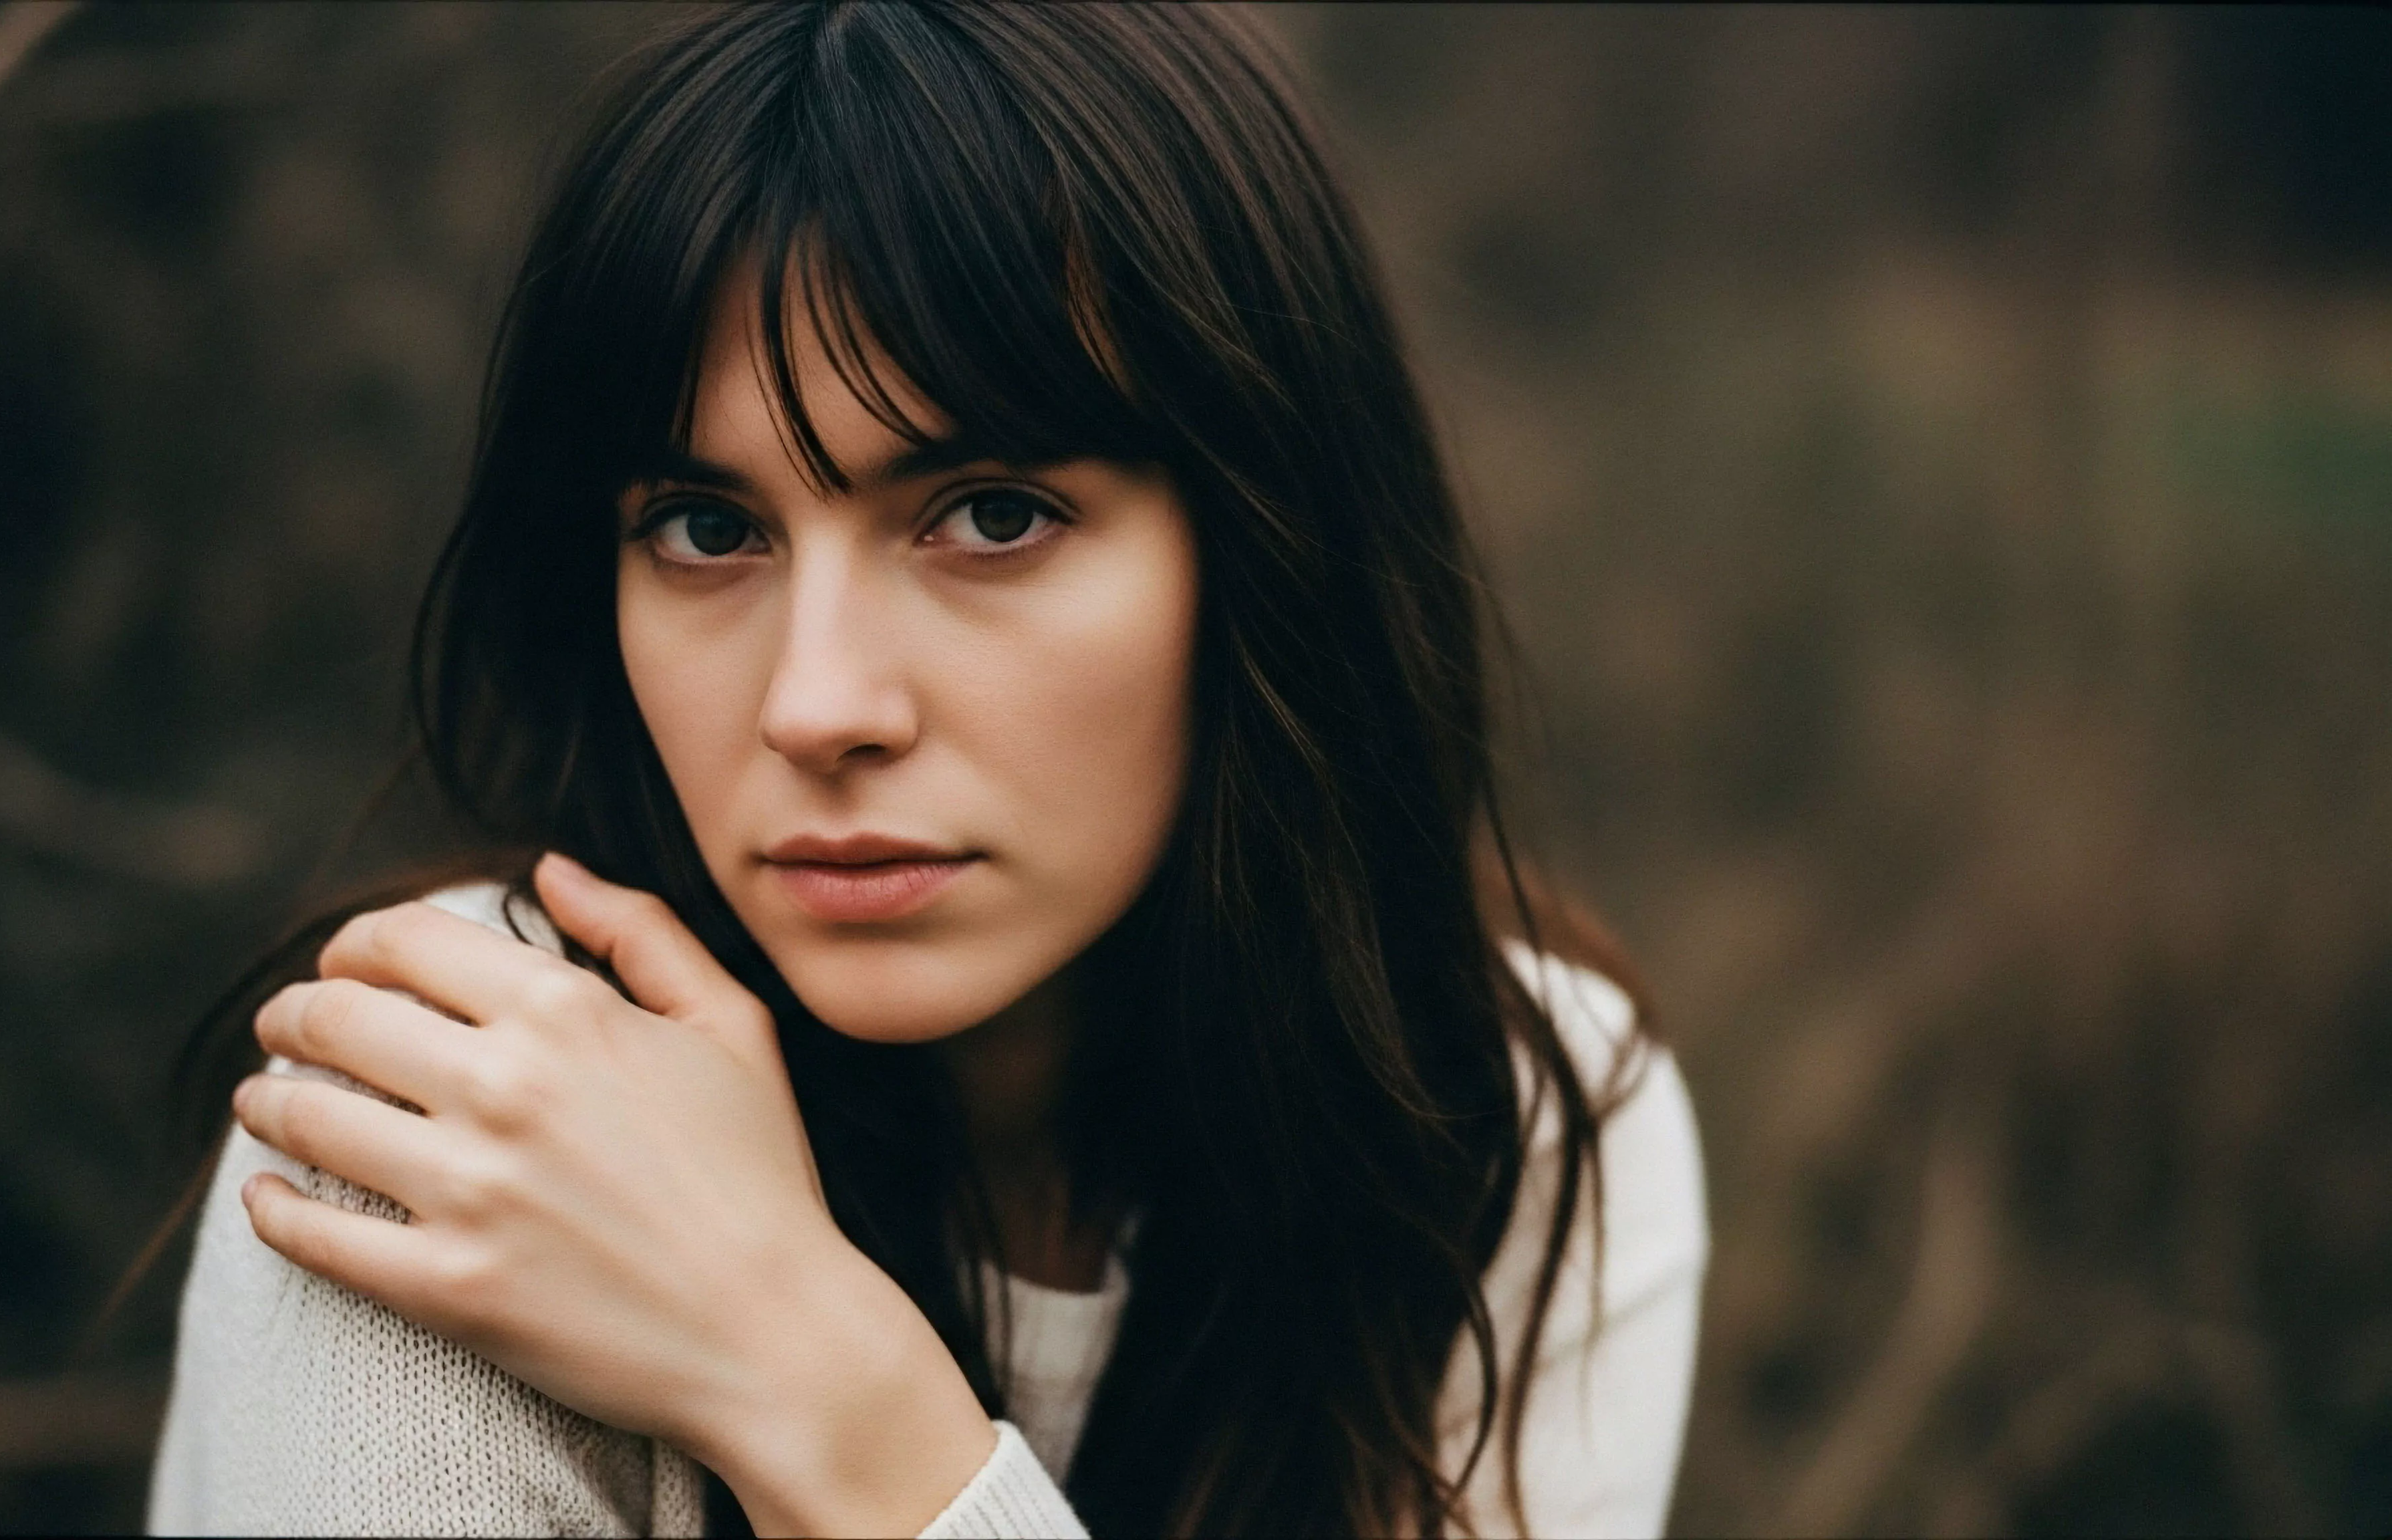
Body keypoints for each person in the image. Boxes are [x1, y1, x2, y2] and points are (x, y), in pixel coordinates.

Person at [146, 4, 1706, 1535]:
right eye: (706, 528)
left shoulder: (1505, 1121)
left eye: (992, 515)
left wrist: (822, 1383)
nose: (818, 706)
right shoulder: (455, 1121)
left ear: (1267, 548)